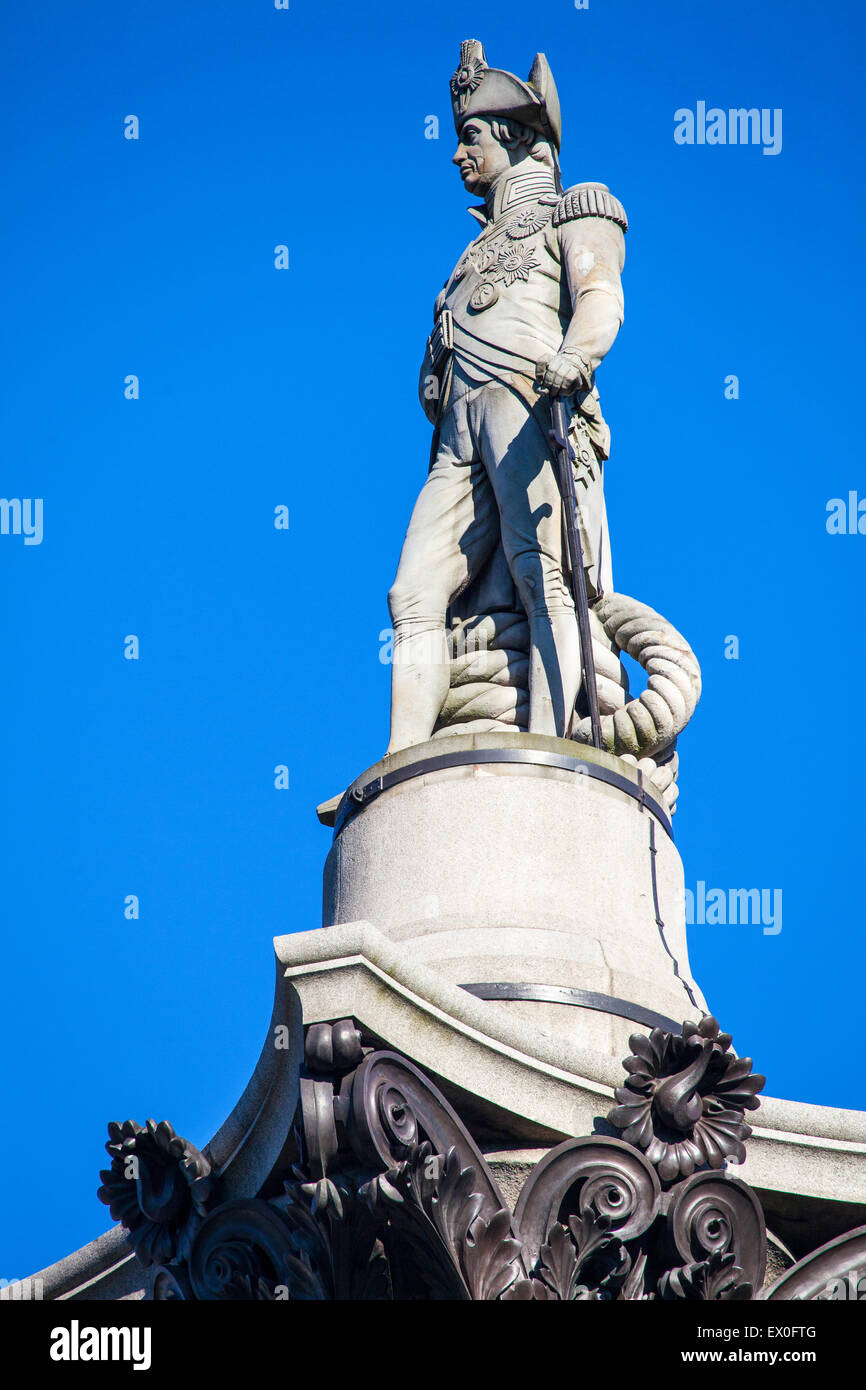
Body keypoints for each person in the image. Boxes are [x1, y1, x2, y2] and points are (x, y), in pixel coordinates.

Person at [387, 40, 627, 752]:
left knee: (542, 573)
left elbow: (600, 297)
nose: (457, 155)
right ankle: (403, 756)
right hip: (457, 435)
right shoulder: (468, 255)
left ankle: (549, 744)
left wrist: (574, 359)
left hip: (528, 407)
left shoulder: (573, 210)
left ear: (516, 136)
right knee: (413, 593)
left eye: (470, 137)